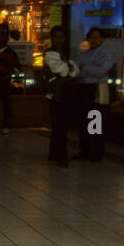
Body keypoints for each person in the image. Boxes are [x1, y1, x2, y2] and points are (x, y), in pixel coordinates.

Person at [75, 27, 113, 161]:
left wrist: (84, 68)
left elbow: (101, 71)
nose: (94, 40)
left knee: (96, 121)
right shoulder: (82, 54)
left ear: (101, 40)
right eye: (91, 37)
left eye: (97, 37)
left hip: (98, 89)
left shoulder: (106, 54)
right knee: (84, 120)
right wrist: (90, 69)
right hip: (84, 89)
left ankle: (96, 152)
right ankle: (84, 150)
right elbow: (75, 70)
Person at [44, 25, 79, 167]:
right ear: (52, 38)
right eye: (56, 37)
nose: (59, 40)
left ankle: (54, 153)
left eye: (61, 37)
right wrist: (68, 66)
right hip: (57, 94)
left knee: (59, 125)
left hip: (64, 92)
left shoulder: (64, 53)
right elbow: (63, 70)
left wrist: (68, 67)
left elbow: (75, 71)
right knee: (60, 125)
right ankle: (61, 155)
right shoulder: (50, 53)